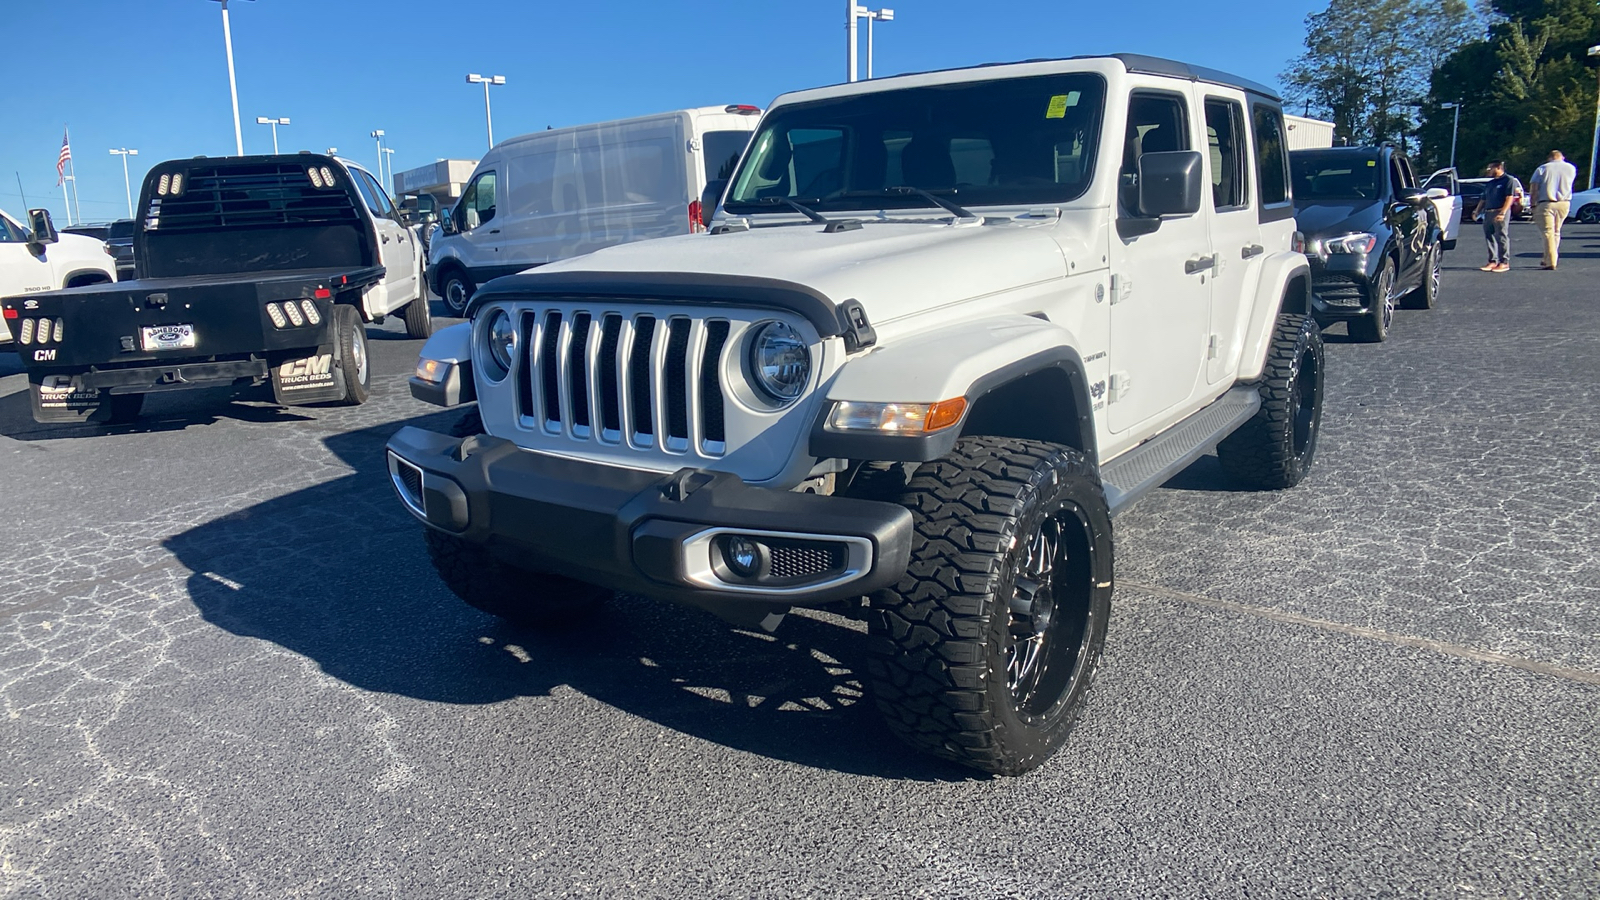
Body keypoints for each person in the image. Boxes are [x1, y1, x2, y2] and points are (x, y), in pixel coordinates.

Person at [1529, 149, 1578, 269]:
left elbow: (1534, 188)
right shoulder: (1571, 168)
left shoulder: (1542, 168)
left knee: (1547, 232)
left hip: (1546, 202)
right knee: (1556, 232)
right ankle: (1547, 258)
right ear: (1562, 157)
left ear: (1549, 158)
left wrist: (1532, 204)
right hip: (1564, 203)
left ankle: (1551, 261)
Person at [1474, 161, 1515, 272]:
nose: (1488, 171)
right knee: (1489, 236)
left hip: (1499, 211)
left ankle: (1504, 262)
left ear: (1498, 167)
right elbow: (1483, 198)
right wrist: (1477, 211)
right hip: (1488, 212)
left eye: (1490, 168)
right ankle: (1492, 261)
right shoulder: (1490, 183)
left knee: (1501, 236)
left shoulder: (1508, 180)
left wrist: (1503, 212)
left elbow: (1509, 197)